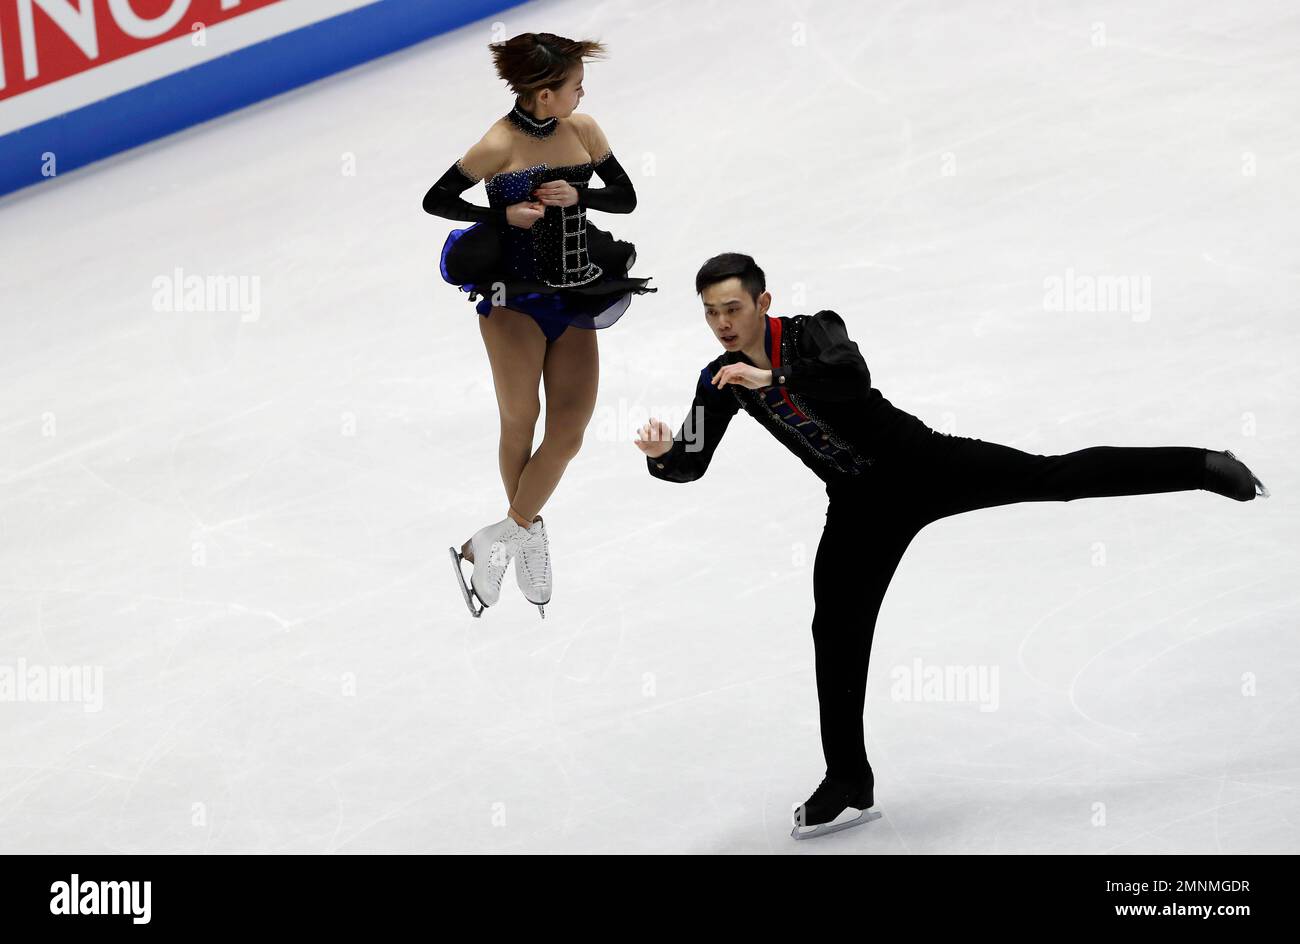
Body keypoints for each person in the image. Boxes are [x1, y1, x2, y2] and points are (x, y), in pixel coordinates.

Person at [634, 252, 1269, 840]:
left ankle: (1203, 465)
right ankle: (849, 781)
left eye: (732, 308)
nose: (721, 323)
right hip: (861, 507)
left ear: (762, 301)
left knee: (1054, 477)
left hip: (925, 464)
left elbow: (850, 379)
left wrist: (774, 377)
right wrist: (665, 454)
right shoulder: (718, 377)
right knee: (835, 631)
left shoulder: (811, 332)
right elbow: (692, 459)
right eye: (711, 313)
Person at [424, 32, 655, 618]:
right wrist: (502, 213)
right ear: (545, 95)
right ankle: (526, 535)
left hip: (575, 291)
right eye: (575, 85)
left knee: (570, 432)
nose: (584, 92)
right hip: (514, 299)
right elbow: (438, 199)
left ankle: (505, 534)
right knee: (521, 419)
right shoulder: (498, 143)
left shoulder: (584, 131)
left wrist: (578, 199)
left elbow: (625, 198)